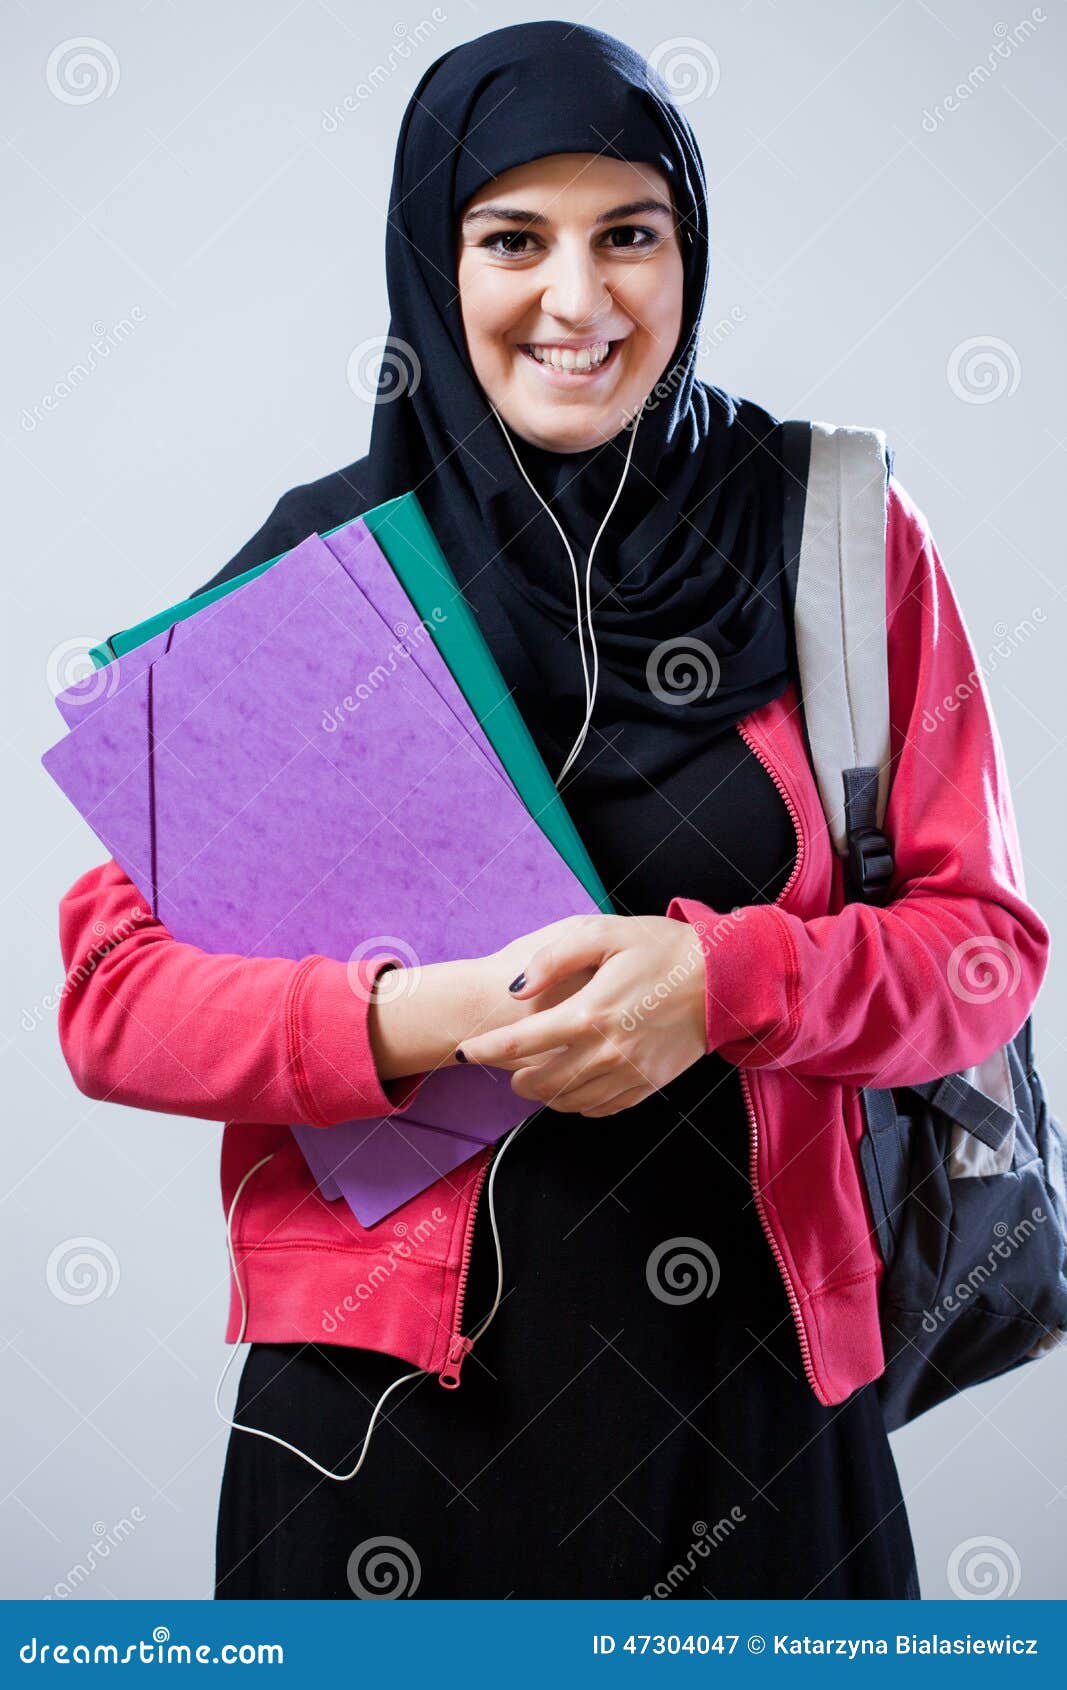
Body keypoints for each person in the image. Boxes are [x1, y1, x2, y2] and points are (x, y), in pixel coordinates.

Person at [56, 22, 1049, 1600]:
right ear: (433, 260)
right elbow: (112, 1002)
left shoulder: (835, 536)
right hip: (384, 1439)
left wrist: (722, 986)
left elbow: (982, 951)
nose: (579, 302)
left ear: (689, 249)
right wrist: (427, 1013)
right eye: (514, 238)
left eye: (630, 236)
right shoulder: (326, 570)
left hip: (765, 1415)